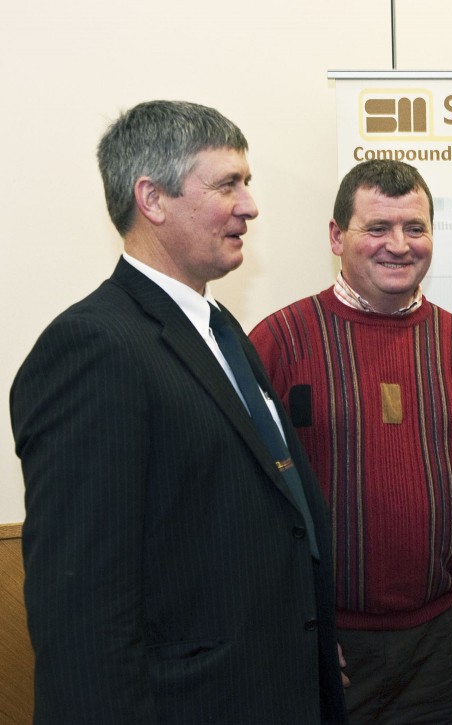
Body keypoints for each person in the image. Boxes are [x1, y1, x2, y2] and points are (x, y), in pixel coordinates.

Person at [9, 100, 347, 724]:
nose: (249, 205)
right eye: (227, 184)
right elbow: (80, 612)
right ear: (152, 199)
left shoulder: (220, 329)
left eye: (247, 183)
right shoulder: (93, 347)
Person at [249, 158, 452, 724]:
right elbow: (246, 509)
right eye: (377, 228)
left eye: (415, 228)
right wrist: (293, 627)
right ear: (336, 236)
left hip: (441, 650)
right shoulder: (277, 343)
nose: (398, 245)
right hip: (321, 644)